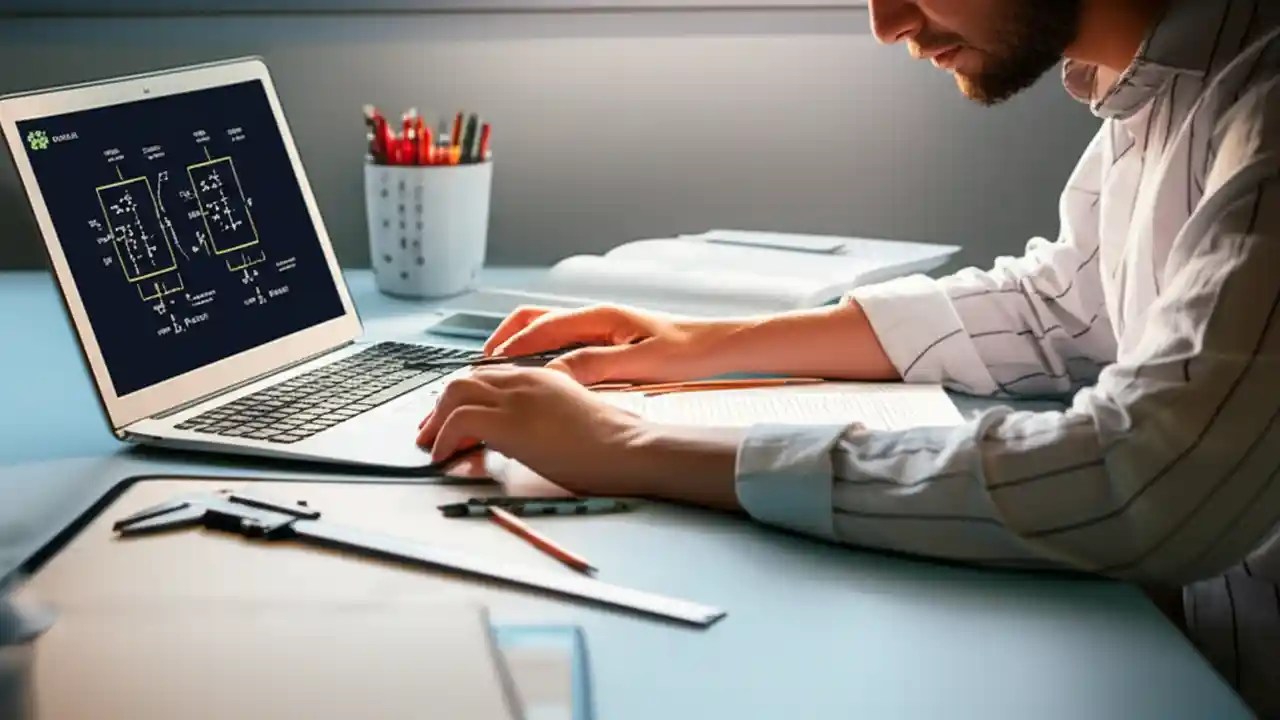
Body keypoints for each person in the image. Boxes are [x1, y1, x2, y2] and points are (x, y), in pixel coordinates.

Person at [417, 0, 1280, 713]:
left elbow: (1150, 480)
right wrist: (702, 346)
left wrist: (634, 450)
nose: (885, 20)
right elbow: (1063, 301)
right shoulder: (1166, 88)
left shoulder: (1265, 97)